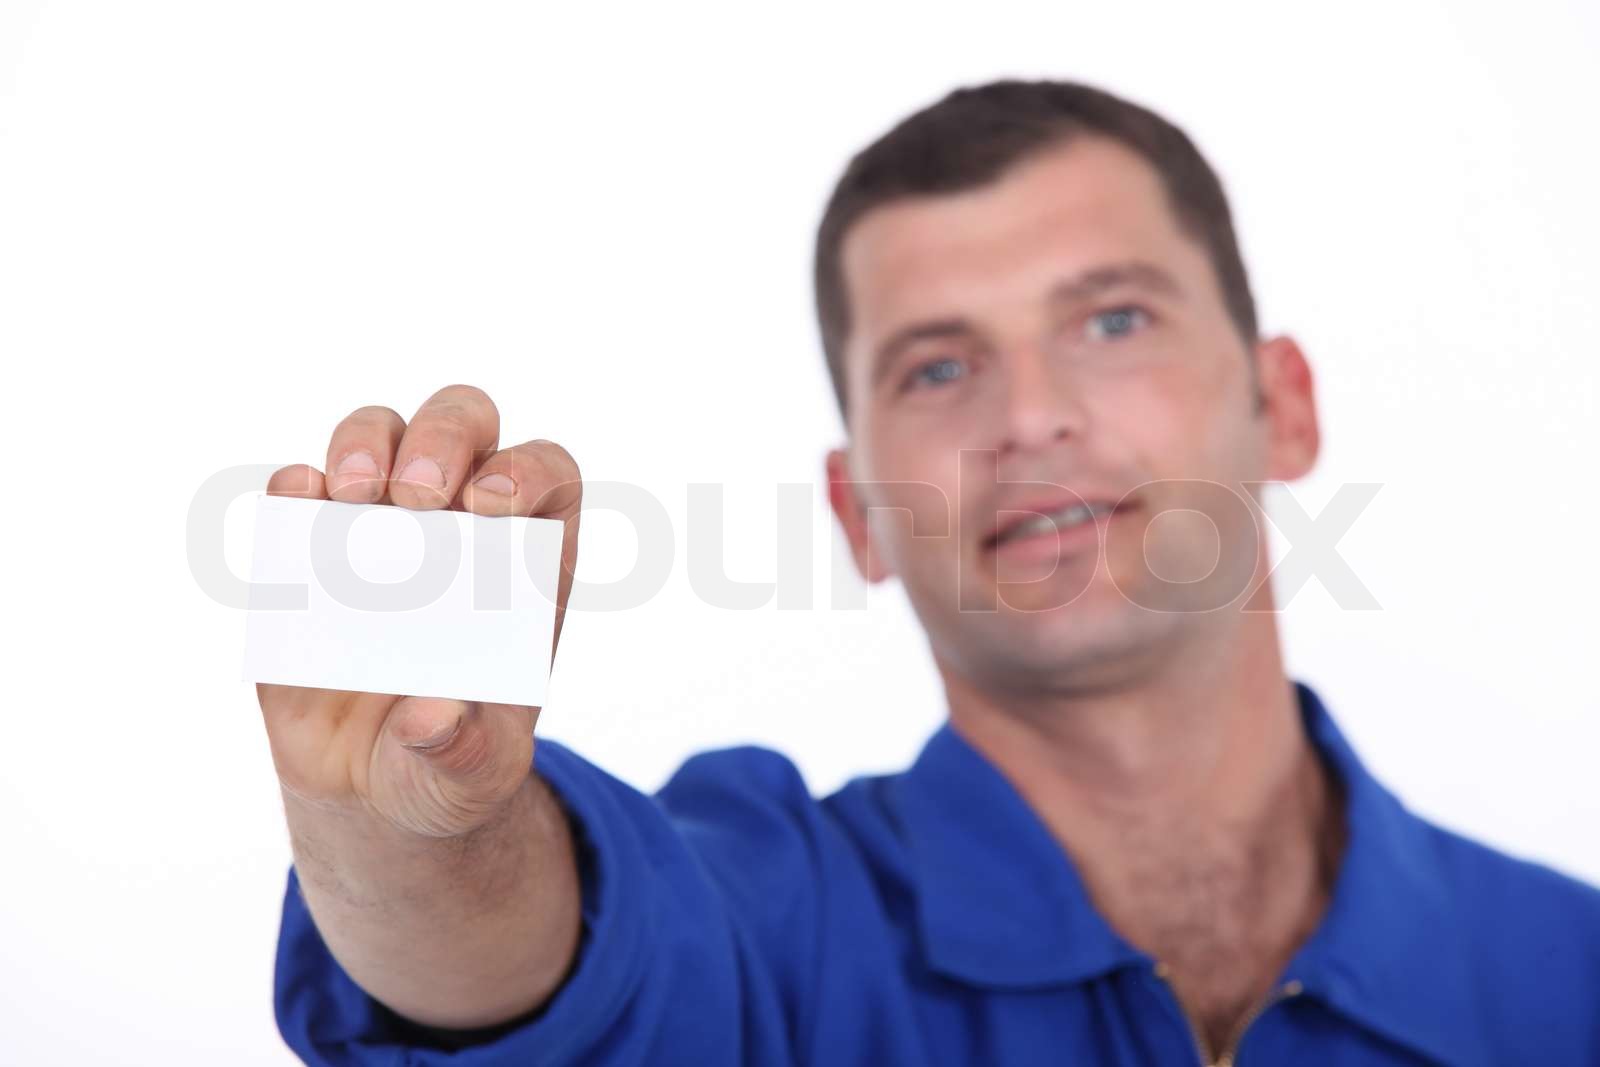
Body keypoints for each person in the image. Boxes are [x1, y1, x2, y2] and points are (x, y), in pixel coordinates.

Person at [261, 79, 1600, 1066]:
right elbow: (543, 982)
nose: (1030, 415)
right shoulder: (775, 935)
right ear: (859, 512)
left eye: (1113, 319)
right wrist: (414, 840)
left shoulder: (1570, 979)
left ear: (1284, 403)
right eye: (939, 366)